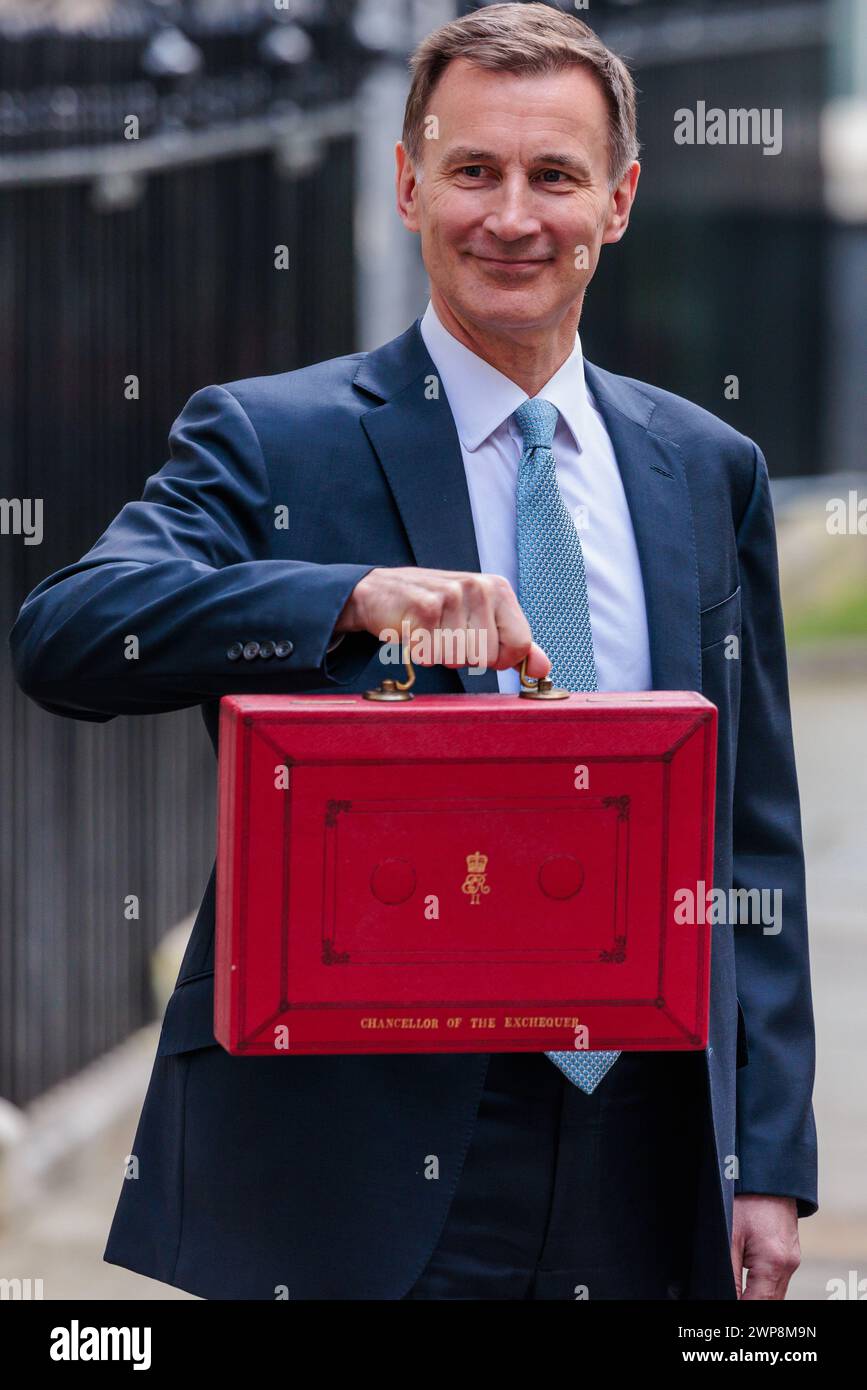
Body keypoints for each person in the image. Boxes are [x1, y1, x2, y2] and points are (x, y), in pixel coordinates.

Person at [9, 4, 816, 1300]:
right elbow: (65, 631)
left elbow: (751, 832)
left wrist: (768, 1155)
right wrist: (347, 599)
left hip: (649, 1154)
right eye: (473, 171)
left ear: (618, 200)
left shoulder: (706, 468)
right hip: (355, 1162)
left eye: (554, 176)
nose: (513, 216)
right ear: (406, 184)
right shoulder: (274, 441)